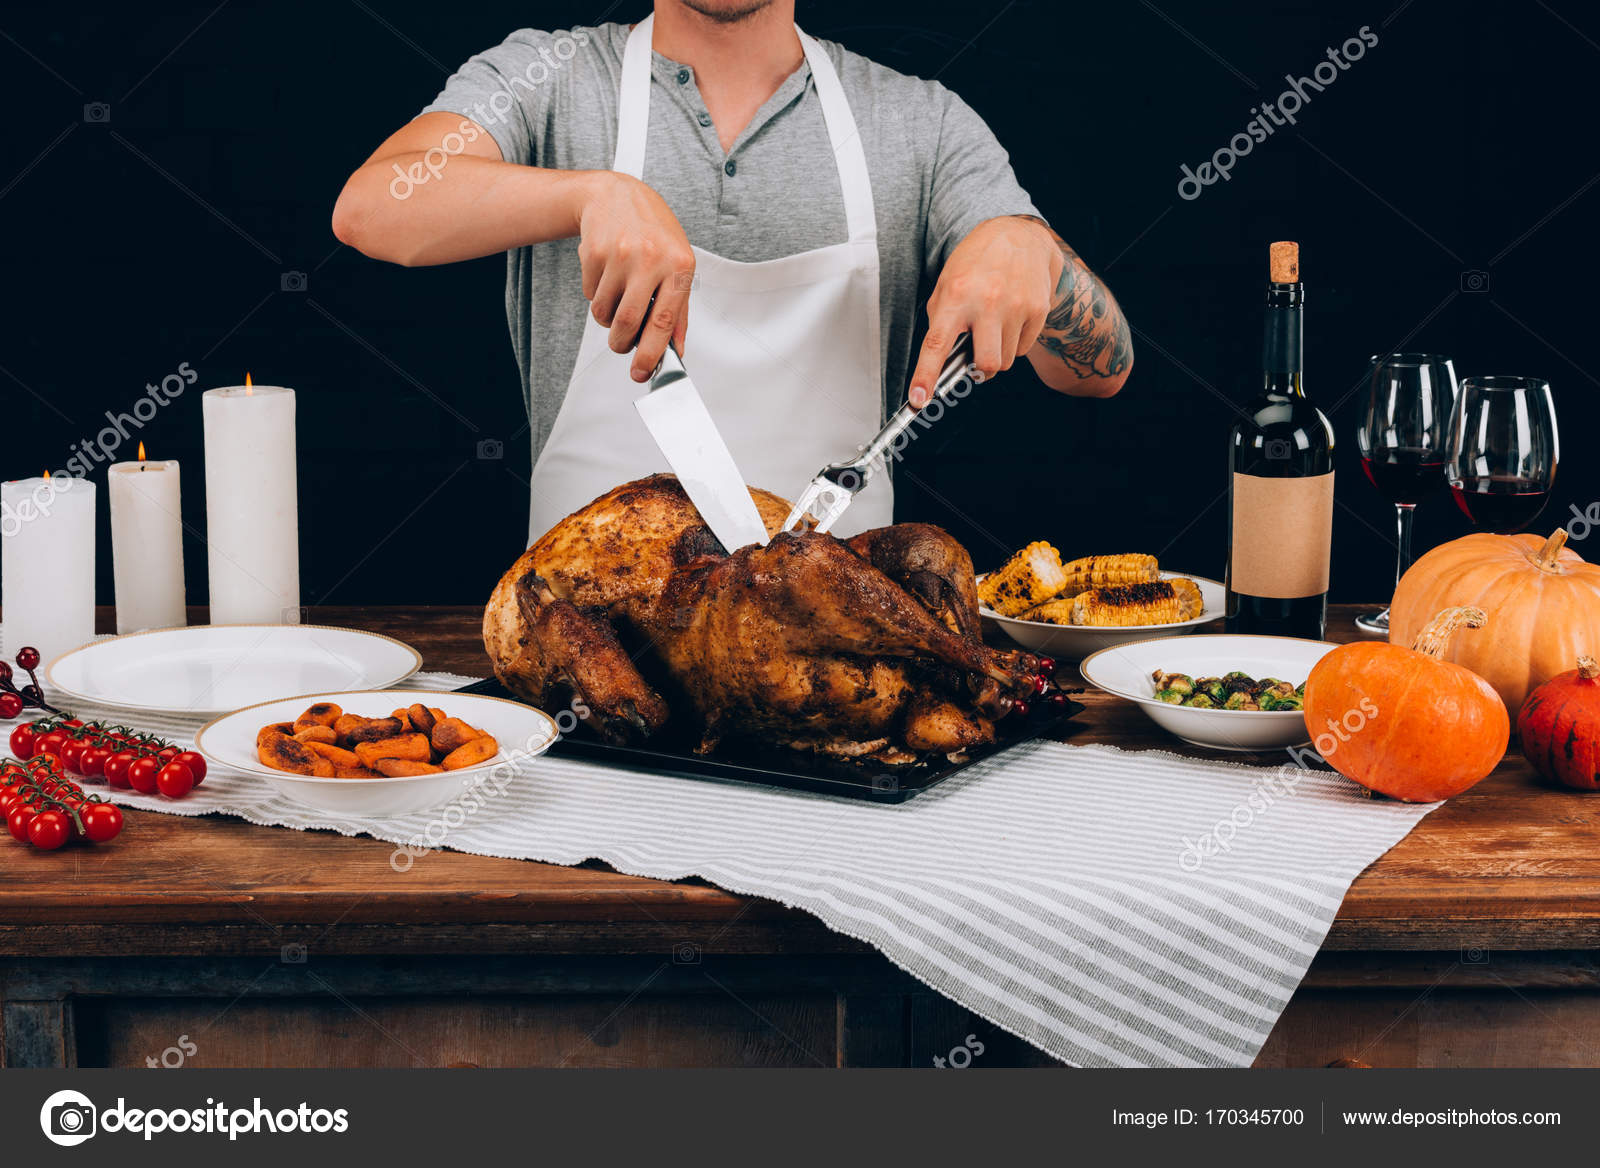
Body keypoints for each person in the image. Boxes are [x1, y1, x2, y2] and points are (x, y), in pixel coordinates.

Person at [333, 1, 1132, 538]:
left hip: (843, 674)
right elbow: (373, 208)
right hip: (581, 666)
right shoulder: (552, 79)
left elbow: (1101, 372)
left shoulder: (919, 123)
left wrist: (1036, 255)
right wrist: (588, 195)